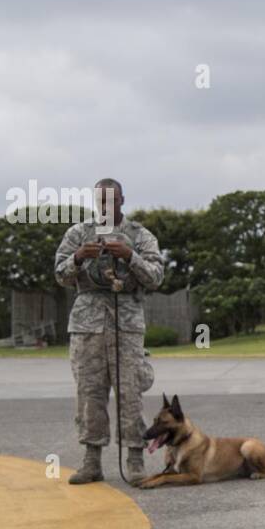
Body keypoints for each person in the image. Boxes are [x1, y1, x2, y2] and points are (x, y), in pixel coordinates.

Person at [53, 179, 164, 484]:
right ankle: (92, 461)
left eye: (111, 201)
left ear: (122, 201)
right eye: (100, 201)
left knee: (130, 394)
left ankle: (135, 460)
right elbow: (59, 273)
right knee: (89, 394)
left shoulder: (140, 235)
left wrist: (129, 255)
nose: (105, 207)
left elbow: (156, 277)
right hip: (87, 324)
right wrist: (79, 257)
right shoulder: (78, 233)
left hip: (126, 324)